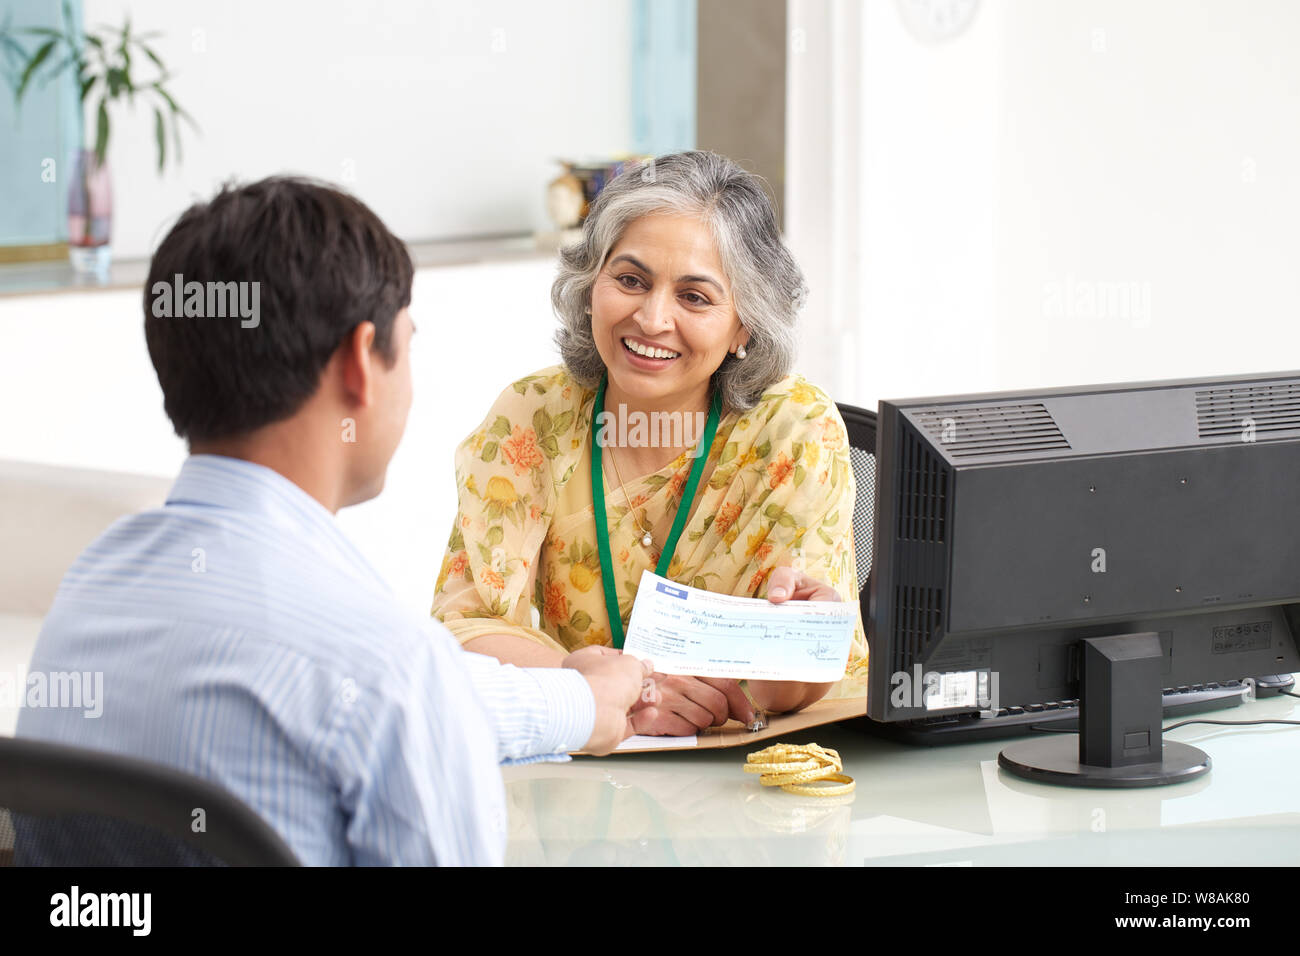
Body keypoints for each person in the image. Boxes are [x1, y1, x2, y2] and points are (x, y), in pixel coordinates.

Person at [16, 177, 653, 866]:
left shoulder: (93, 590)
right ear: (359, 362)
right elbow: (390, 696)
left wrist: (576, 701)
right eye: (406, 344)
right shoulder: (387, 666)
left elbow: (377, 699)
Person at [432, 151, 868, 737]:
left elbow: (792, 676)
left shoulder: (790, 429)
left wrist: (798, 644)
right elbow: (463, 627)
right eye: (631, 281)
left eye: (695, 297)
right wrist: (602, 694)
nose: (652, 318)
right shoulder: (535, 416)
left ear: (745, 323)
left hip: (766, 766)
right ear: (591, 285)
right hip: (590, 769)